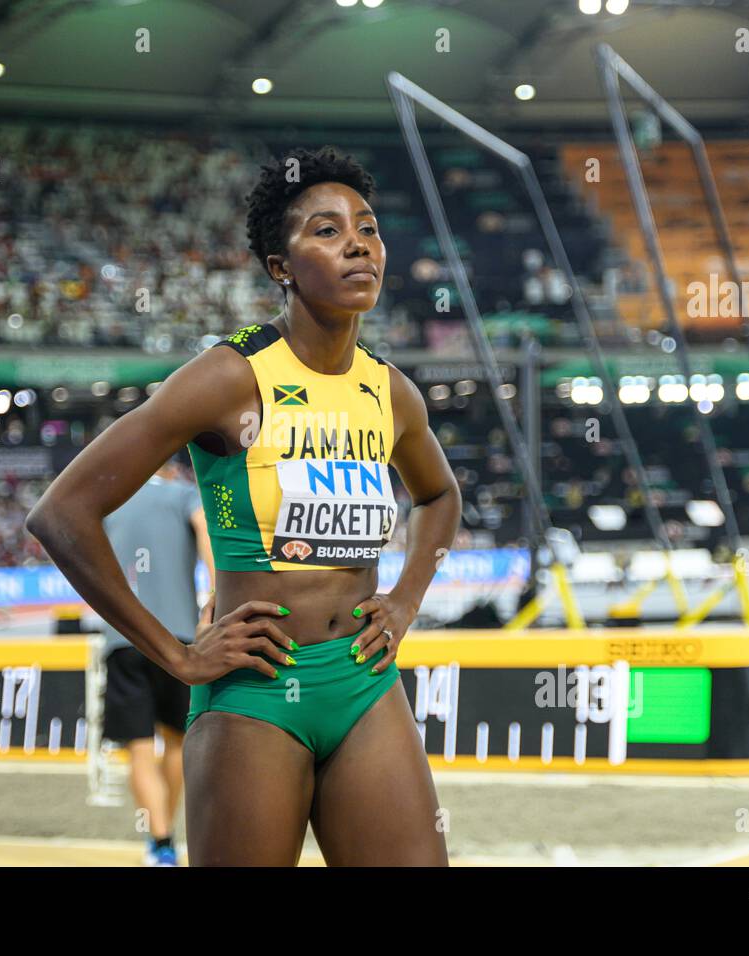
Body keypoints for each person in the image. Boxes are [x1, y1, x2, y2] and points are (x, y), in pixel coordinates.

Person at [28, 146, 462, 866]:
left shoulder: (391, 391)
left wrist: (406, 599)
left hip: (363, 684)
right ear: (279, 267)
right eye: (325, 230)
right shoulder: (229, 378)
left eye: (368, 227)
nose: (357, 242)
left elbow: (441, 495)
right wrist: (174, 653)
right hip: (255, 694)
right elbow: (62, 511)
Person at [99, 452, 213, 866]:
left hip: (123, 639)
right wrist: (215, 597)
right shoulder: (185, 495)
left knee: (140, 749)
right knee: (179, 744)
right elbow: (206, 532)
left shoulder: (109, 502)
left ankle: (160, 843)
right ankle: (169, 835)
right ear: (171, 467)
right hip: (176, 640)